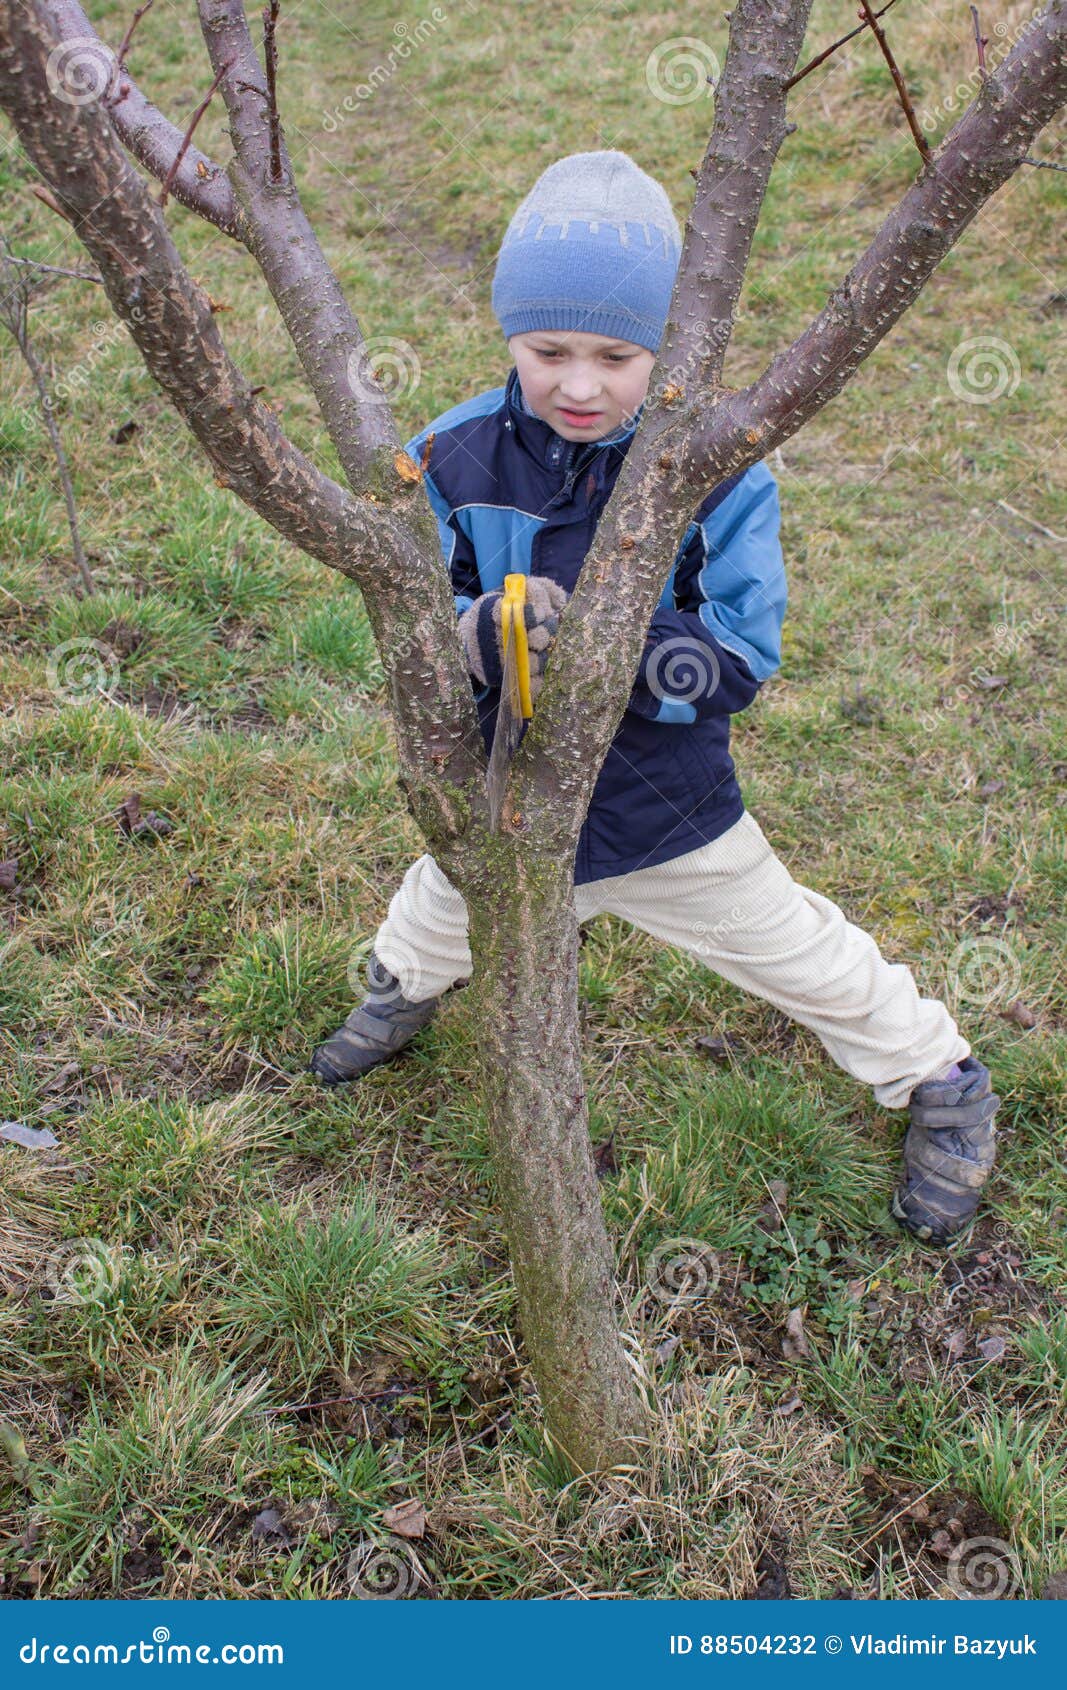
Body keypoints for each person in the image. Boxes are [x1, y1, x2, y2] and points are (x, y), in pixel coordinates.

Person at [311, 151, 998, 1247]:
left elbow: (736, 655)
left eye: (615, 356)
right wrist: (474, 635)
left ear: (665, 350)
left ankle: (938, 1075)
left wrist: (604, 631)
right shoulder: (445, 457)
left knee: (791, 948)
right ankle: (399, 987)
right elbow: (412, 614)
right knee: (441, 900)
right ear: (507, 340)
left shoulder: (716, 471)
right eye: (547, 352)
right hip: (504, 793)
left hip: (659, 806)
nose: (579, 385)